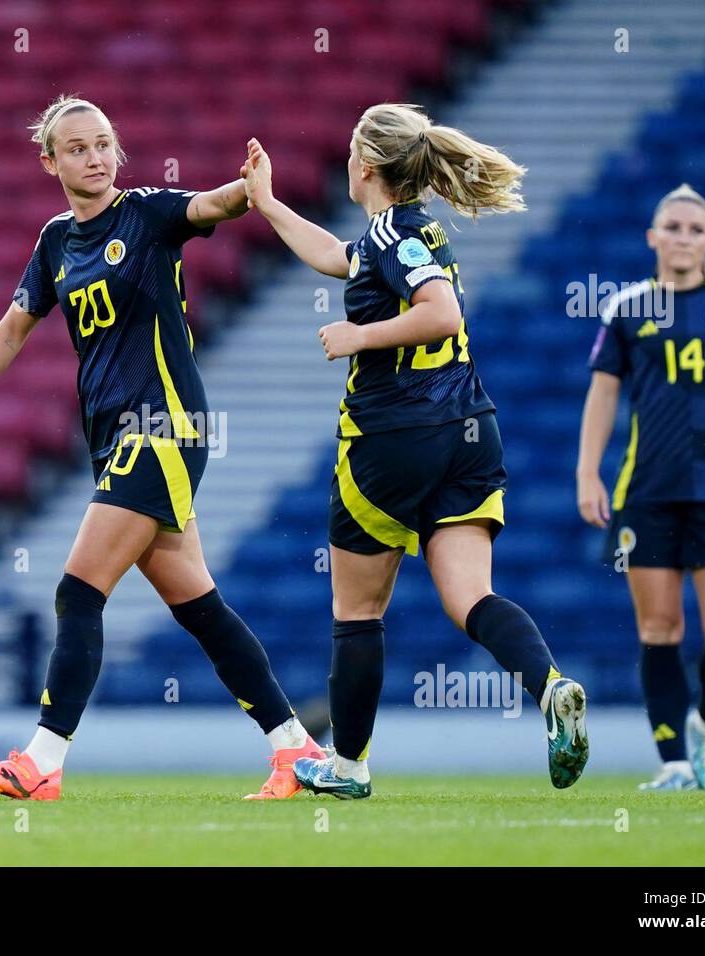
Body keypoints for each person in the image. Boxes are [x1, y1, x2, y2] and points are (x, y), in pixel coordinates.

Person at [0, 95, 322, 801]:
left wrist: (249, 191)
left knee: (77, 590)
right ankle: (294, 748)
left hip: (162, 426)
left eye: (104, 143)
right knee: (198, 605)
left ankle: (41, 761)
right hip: (114, 438)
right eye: (77, 148)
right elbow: (14, 327)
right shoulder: (56, 242)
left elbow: (210, 206)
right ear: (49, 161)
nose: (96, 157)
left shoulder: (145, 214)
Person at [240, 103, 589, 798]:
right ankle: (548, 687)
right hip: (467, 432)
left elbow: (441, 310)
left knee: (357, 611)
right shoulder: (399, 233)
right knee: (471, 597)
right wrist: (269, 204)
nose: (342, 161)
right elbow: (338, 259)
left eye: (347, 150)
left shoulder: (397, 237)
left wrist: (357, 338)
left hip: (393, 437)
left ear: (366, 166)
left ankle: (347, 768)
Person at [576, 184, 705, 791]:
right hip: (648, 490)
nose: (683, 237)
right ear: (653, 237)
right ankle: (672, 763)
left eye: (696, 229)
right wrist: (589, 471)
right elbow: (603, 394)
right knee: (659, 629)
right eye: (673, 226)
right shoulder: (627, 308)